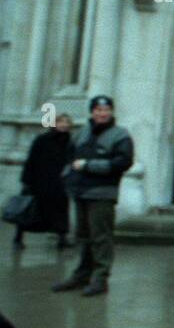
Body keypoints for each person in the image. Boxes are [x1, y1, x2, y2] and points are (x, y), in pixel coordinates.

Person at [51, 97, 133, 297]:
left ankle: (100, 277)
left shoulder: (120, 135)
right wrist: (67, 176)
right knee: (83, 235)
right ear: (92, 112)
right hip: (80, 191)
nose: (102, 113)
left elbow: (123, 162)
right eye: (98, 109)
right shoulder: (82, 132)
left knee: (100, 236)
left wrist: (89, 165)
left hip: (102, 193)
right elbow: (69, 157)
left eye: (106, 110)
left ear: (112, 112)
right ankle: (82, 273)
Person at [14, 114, 73, 249]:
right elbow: (31, 160)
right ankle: (18, 237)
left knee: (60, 211)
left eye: (66, 122)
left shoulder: (70, 141)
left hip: (59, 183)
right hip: (39, 181)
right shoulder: (42, 140)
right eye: (60, 122)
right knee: (30, 210)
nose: (63, 125)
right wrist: (26, 180)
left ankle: (62, 238)